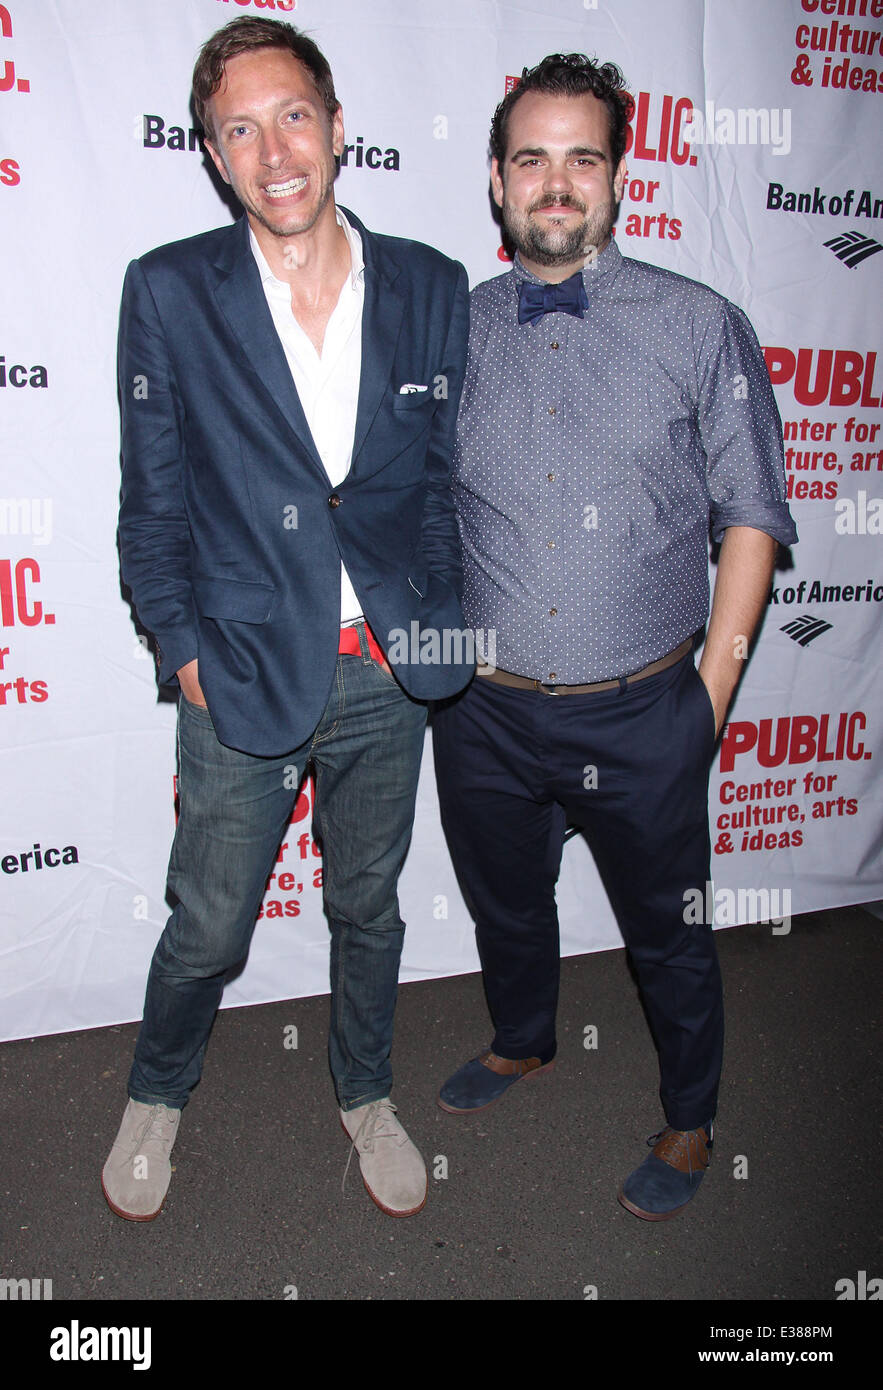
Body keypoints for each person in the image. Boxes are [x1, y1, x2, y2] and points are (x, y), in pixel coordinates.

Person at [104, 15, 470, 1222]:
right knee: (208, 925)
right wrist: (183, 649)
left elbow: (445, 481)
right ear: (212, 155)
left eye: (293, 115)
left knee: (369, 907)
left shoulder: (427, 282)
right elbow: (152, 503)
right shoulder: (167, 291)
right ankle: (157, 1093)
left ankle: (365, 1092)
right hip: (246, 670)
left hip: (388, 675)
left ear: (338, 126)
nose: (273, 151)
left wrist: (437, 625)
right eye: (240, 129)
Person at [432, 53, 797, 1220]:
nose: (555, 182)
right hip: (482, 710)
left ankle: (690, 1121)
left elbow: (753, 515)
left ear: (620, 176)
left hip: (646, 710)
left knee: (670, 937)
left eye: (580, 157)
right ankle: (524, 1039)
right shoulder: (449, 332)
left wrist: (708, 699)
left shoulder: (699, 325)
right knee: (506, 903)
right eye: (530, 158)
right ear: (496, 181)